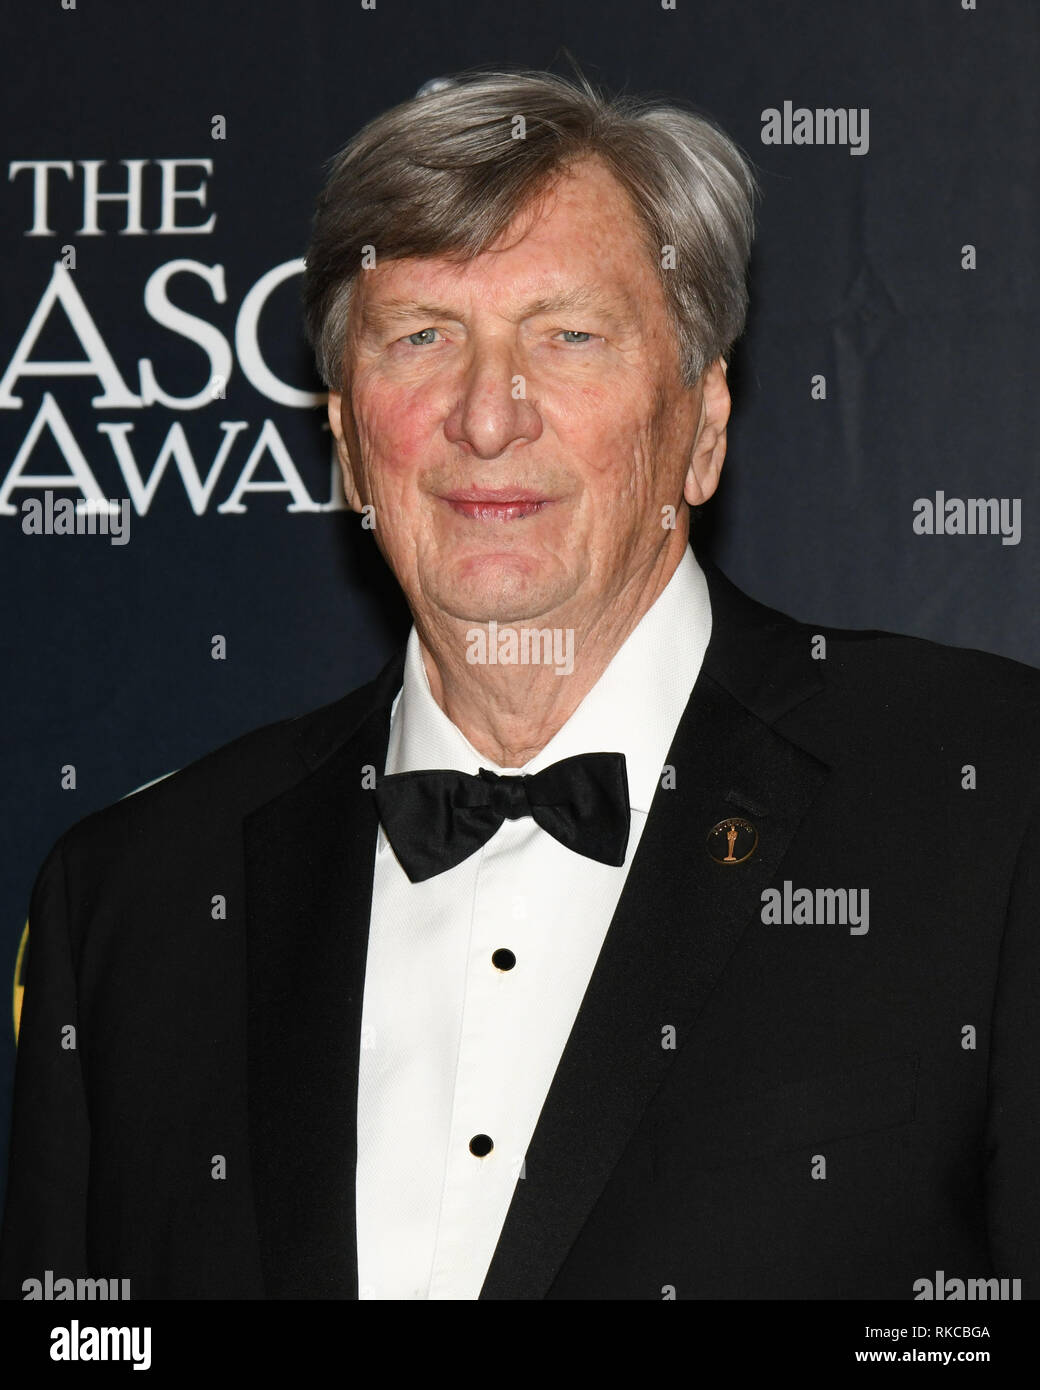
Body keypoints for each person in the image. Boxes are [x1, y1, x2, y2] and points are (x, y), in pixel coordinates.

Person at [2, 68, 1038, 1301]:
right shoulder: (134, 899)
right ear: (342, 437)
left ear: (702, 424)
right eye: (424, 336)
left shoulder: (985, 800)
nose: (486, 417)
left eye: (568, 334)